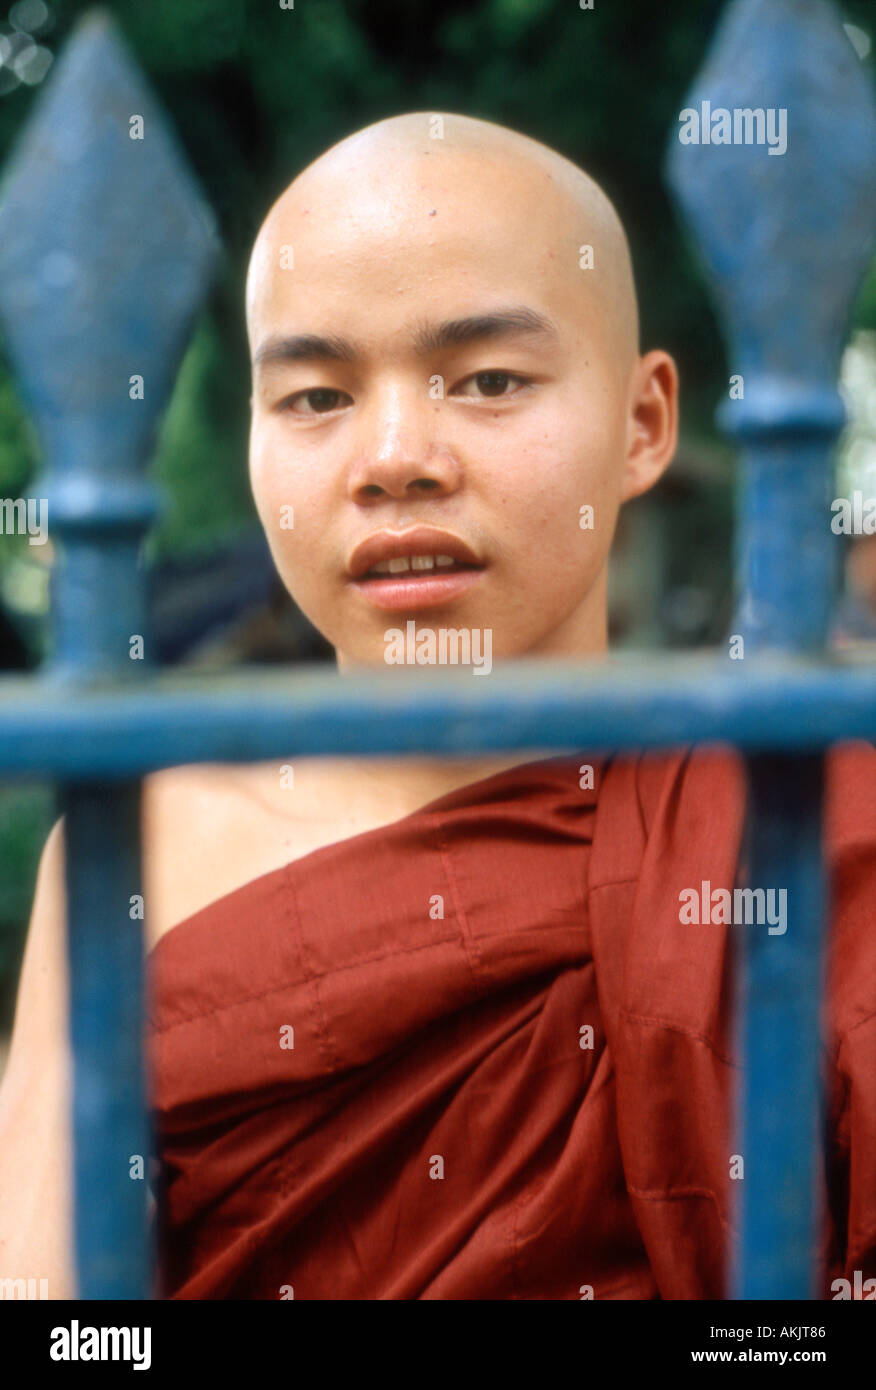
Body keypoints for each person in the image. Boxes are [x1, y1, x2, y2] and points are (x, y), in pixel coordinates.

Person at [0, 112, 873, 1301]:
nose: (396, 457)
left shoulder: (802, 815)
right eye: (313, 397)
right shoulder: (139, 846)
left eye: (490, 380)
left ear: (643, 423)